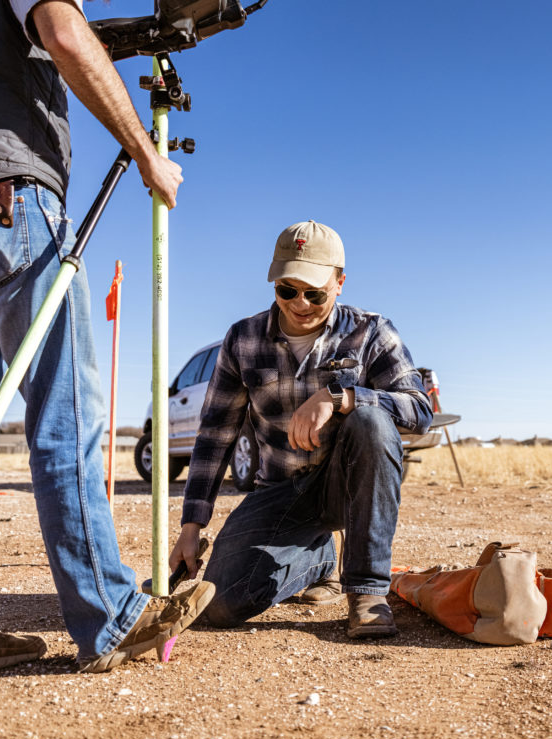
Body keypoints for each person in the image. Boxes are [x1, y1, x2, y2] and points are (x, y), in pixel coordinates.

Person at [0, 0, 213, 684]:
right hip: (7, 208)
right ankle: (109, 615)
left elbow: (8, 50)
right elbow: (63, 34)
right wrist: (145, 150)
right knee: (66, 417)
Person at [169, 220, 433, 638]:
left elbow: (419, 409)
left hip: (345, 488)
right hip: (278, 492)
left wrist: (339, 396)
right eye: (287, 290)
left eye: (315, 293)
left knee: (370, 420)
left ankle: (366, 590)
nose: (300, 303)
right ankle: (319, 559)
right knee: (219, 603)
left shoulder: (372, 332)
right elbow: (215, 436)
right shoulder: (242, 338)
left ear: (340, 282)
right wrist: (191, 528)